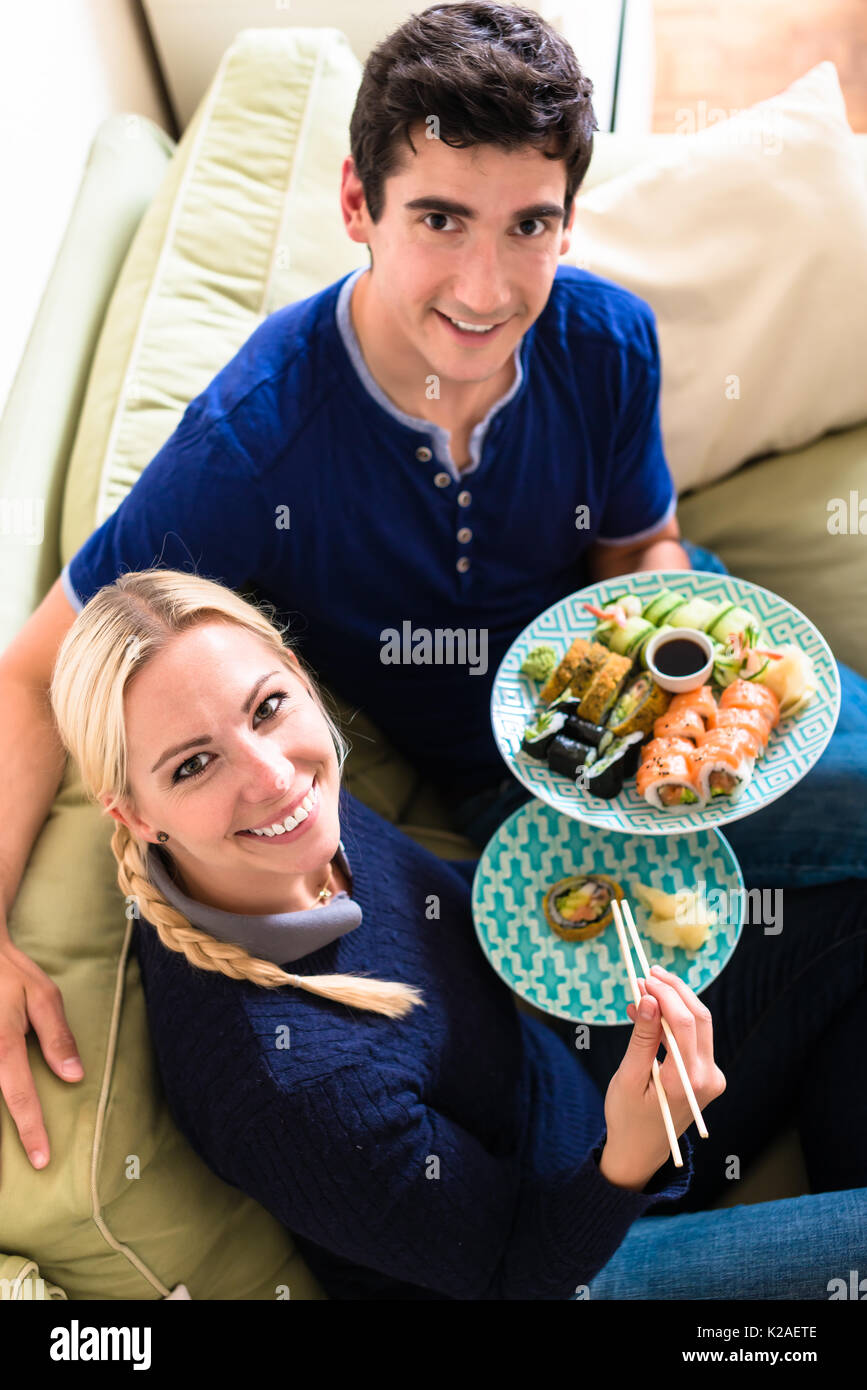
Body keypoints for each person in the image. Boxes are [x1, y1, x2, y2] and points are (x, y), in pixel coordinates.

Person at [0, 0, 865, 1172]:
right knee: (639, 1065)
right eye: (441, 218)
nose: (486, 284)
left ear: (567, 224)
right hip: (511, 782)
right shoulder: (254, 444)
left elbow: (640, 546)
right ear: (358, 206)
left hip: (684, 679)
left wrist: (671, 663)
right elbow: (41, 662)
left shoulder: (609, 340)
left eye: (529, 226)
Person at [46, 570, 867, 1300]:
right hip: (565, 1261)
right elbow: (516, 1275)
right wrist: (630, 1155)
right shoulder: (286, 1087)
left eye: (266, 707)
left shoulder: (299, 821)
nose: (269, 776)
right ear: (133, 814)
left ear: (300, 680)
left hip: (574, 1080)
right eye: (193, 765)